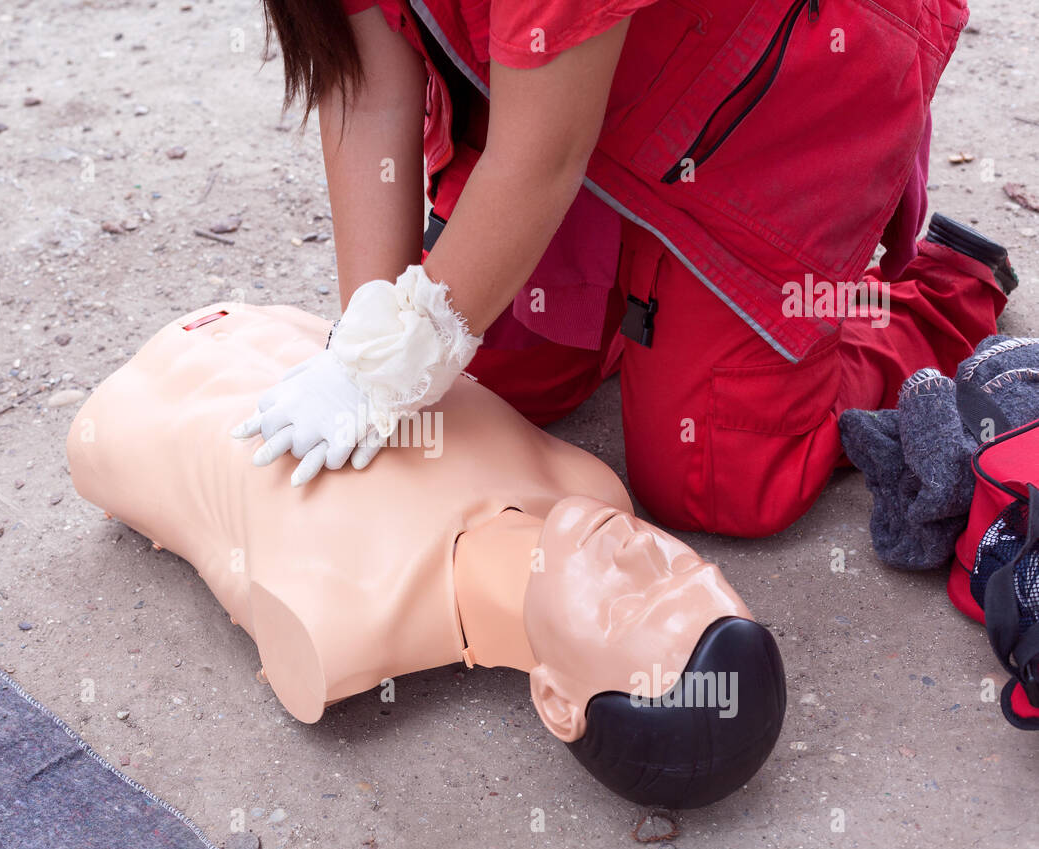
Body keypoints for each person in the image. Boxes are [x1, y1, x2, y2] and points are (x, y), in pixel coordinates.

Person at [235, 0, 1015, 538]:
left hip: (777, 88)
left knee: (717, 480)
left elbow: (544, 159)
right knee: (487, 393)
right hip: (582, 88)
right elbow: (367, 93)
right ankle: (642, 292)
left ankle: (939, 291)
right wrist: (366, 350)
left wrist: (388, 367)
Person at [66, 302, 787, 807]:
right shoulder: (588, 489)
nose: (642, 551)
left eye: (630, 603)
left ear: (557, 702)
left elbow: (203, 526)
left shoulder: (338, 629)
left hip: (127, 408)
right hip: (268, 319)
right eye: (687, 566)